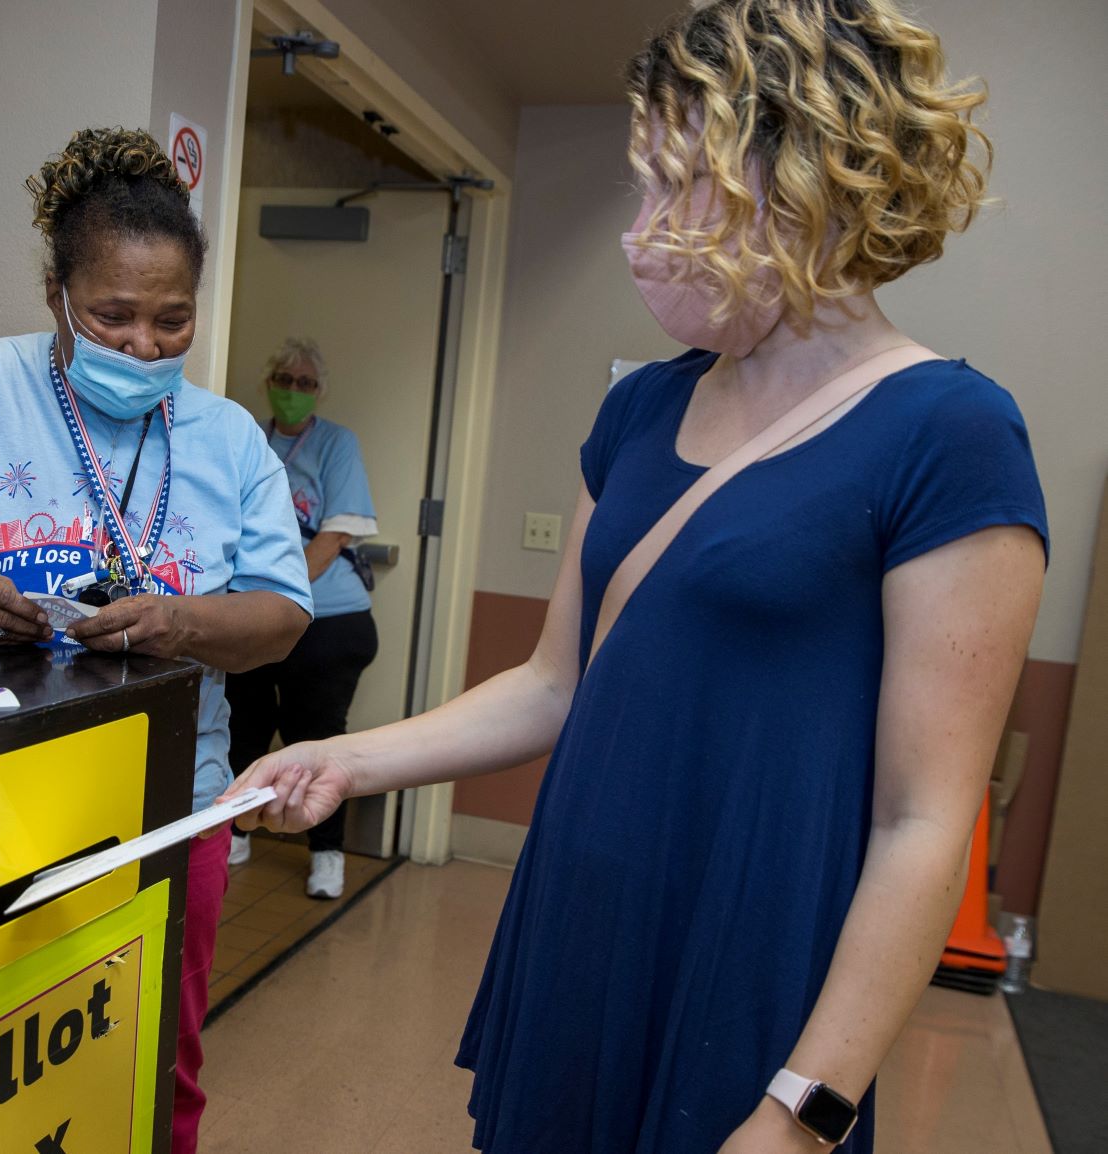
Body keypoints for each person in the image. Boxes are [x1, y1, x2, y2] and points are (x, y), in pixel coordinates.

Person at [225, 1, 1047, 1150]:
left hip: (751, 960)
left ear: (805, 179)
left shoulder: (948, 433)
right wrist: (346, 757)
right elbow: (554, 682)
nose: (641, 229)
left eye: (678, 184)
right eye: (642, 184)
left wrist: (803, 1109)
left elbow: (923, 821)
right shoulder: (641, 408)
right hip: (584, 917)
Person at [0, 126, 313, 1153]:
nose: (144, 347)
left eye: (172, 320)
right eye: (111, 315)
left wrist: (180, 619)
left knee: (147, 1063)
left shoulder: (230, 441)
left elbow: (280, 618)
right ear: (55, 294)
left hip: (166, 807)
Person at [225, 338, 379, 898]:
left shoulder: (337, 443)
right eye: (285, 380)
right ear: (269, 383)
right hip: (254, 612)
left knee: (315, 734)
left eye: (306, 383)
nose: (294, 390)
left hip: (328, 618)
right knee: (243, 724)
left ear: (319, 392)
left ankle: (327, 852)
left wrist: (280, 595)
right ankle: (237, 831)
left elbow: (335, 534)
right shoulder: (248, 437)